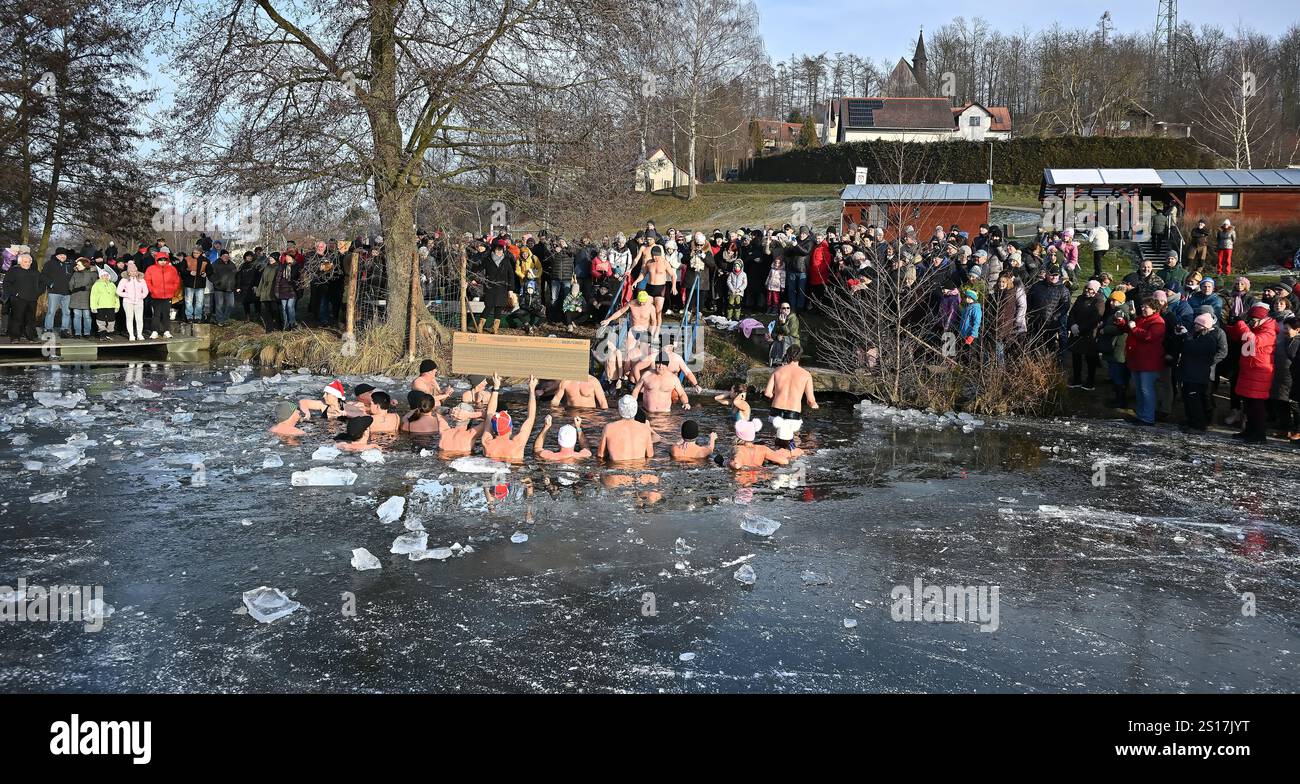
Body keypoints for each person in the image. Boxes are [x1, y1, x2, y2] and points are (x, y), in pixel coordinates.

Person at [1226, 303, 1277, 442]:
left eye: (1254, 321)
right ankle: (1249, 431)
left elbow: (1253, 340)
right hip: (1249, 370)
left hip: (1260, 372)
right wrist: (1233, 324)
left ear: (1262, 319)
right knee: (1248, 404)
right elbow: (1239, 337)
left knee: (1257, 406)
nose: (1252, 324)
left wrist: (1242, 324)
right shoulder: (1256, 327)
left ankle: (1259, 435)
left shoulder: (1269, 330)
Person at [1174, 312, 1228, 431]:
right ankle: (1191, 420)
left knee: (1195, 401)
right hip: (1190, 373)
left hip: (1197, 375)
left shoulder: (1209, 339)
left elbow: (1192, 347)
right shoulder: (1198, 336)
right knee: (1188, 399)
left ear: (1205, 326)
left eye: (1198, 325)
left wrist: (1186, 335)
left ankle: (1198, 424)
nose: (1195, 327)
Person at [1121, 297, 1168, 426]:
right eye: (1142, 306)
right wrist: (1123, 324)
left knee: (1146, 390)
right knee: (1139, 389)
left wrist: (1134, 329)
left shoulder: (1158, 322)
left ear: (1154, 309)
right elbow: (1131, 329)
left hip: (1149, 362)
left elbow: (1149, 336)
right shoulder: (1141, 319)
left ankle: (1147, 417)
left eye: (1145, 307)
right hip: (1137, 359)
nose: (1142, 308)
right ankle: (1141, 415)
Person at [764, 343, 817, 449]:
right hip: (793, 414)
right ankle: (791, 458)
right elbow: (810, 401)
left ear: (787, 355)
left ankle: (774, 459)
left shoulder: (778, 371)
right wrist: (815, 406)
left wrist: (777, 393)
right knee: (793, 441)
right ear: (800, 357)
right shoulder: (806, 375)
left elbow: (767, 393)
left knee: (775, 441)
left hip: (776, 412)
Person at [481, 374, 539, 462]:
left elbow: (490, 413)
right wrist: (531, 389)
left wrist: (496, 387)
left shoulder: (486, 443)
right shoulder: (517, 444)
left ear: (493, 429)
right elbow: (530, 417)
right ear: (510, 428)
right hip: (513, 471)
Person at [1067, 279, 1106, 389]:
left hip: (1089, 333)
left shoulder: (1099, 301)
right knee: (1076, 357)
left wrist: (1081, 329)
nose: (1087, 291)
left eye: (1091, 289)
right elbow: (1072, 313)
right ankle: (1077, 379)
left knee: (1090, 359)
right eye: (1086, 288)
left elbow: (1096, 318)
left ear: (1096, 290)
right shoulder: (1080, 298)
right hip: (1076, 331)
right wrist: (1073, 325)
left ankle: (1090, 381)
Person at [598, 395, 655, 463]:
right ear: (635, 409)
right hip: (639, 470)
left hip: (616, 470)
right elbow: (650, 455)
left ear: (620, 409)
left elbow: (601, 455)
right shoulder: (645, 428)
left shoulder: (609, 428)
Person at [728, 418, 799, 469]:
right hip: (756, 478)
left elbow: (737, 465)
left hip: (741, 478)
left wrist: (727, 463)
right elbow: (784, 461)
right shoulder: (763, 449)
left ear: (738, 436)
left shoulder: (738, 448)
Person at [4, 252, 40, 342]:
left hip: (32, 298)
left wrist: (38, 292)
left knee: (31, 319)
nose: (27, 263)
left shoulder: (34, 272)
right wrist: (14, 293)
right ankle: (15, 337)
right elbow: (7, 283)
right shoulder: (14, 271)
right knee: (17, 318)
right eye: (25, 262)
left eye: (29, 261)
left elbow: (42, 282)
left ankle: (32, 336)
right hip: (18, 298)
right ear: (20, 262)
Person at [144, 252, 180, 338]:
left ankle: (166, 331)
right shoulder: (151, 269)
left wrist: (172, 289)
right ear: (157, 260)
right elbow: (147, 280)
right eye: (160, 260)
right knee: (156, 314)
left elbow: (177, 281)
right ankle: (155, 331)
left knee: (166, 314)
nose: (163, 262)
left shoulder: (172, 269)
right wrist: (152, 290)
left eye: (164, 260)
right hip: (156, 296)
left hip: (168, 295)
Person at [41, 248, 74, 337]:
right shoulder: (49, 264)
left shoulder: (69, 264)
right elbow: (43, 275)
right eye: (60, 255)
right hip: (54, 292)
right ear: (56, 255)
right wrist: (51, 284)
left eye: (64, 255)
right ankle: (48, 329)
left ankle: (64, 330)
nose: (63, 256)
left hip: (67, 292)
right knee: (51, 311)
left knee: (66, 312)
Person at [116, 261, 149, 341]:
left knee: (139, 319)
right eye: (131, 271)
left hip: (139, 302)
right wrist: (127, 295)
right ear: (128, 272)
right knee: (129, 318)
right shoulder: (124, 280)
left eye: (135, 271)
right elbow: (118, 291)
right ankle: (131, 335)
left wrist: (142, 296)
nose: (133, 272)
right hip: (128, 302)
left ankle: (139, 334)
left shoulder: (141, 280)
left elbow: (145, 291)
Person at [68, 257, 98, 338]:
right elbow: (71, 284)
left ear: (84, 265)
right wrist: (73, 289)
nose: (77, 266)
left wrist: (85, 288)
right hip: (76, 297)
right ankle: (77, 333)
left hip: (87, 298)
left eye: (78, 264)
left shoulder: (92, 274)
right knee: (77, 316)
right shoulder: (75, 273)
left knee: (87, 316)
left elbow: (95, 285)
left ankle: (87, 332)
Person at [209, 250, 238, 326]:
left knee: (231, 305)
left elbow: (236, 275)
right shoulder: (215, 264)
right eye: (224, 256)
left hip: (230, 288)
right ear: (221, 256)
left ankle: (225, 318)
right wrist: (216, 282)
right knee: (219, 305)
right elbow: (210, 274)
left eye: (227, 256)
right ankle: (220, 320)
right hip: (219, 288)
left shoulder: (232, 264)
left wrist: (236, 285)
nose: (226, 257)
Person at [90, 269, 120, 340]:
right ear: (100, 276)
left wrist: (117, 305)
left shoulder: (112, 285)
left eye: (107, 275)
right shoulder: (96, 284)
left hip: (111, 305)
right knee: (101, 320)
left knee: (111, 320)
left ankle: (109, 332)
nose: (105, 277)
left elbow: (116, 296)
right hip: (101, 306)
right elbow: (93, 296)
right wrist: (93, 306)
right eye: (103, 275)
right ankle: (102, 333)